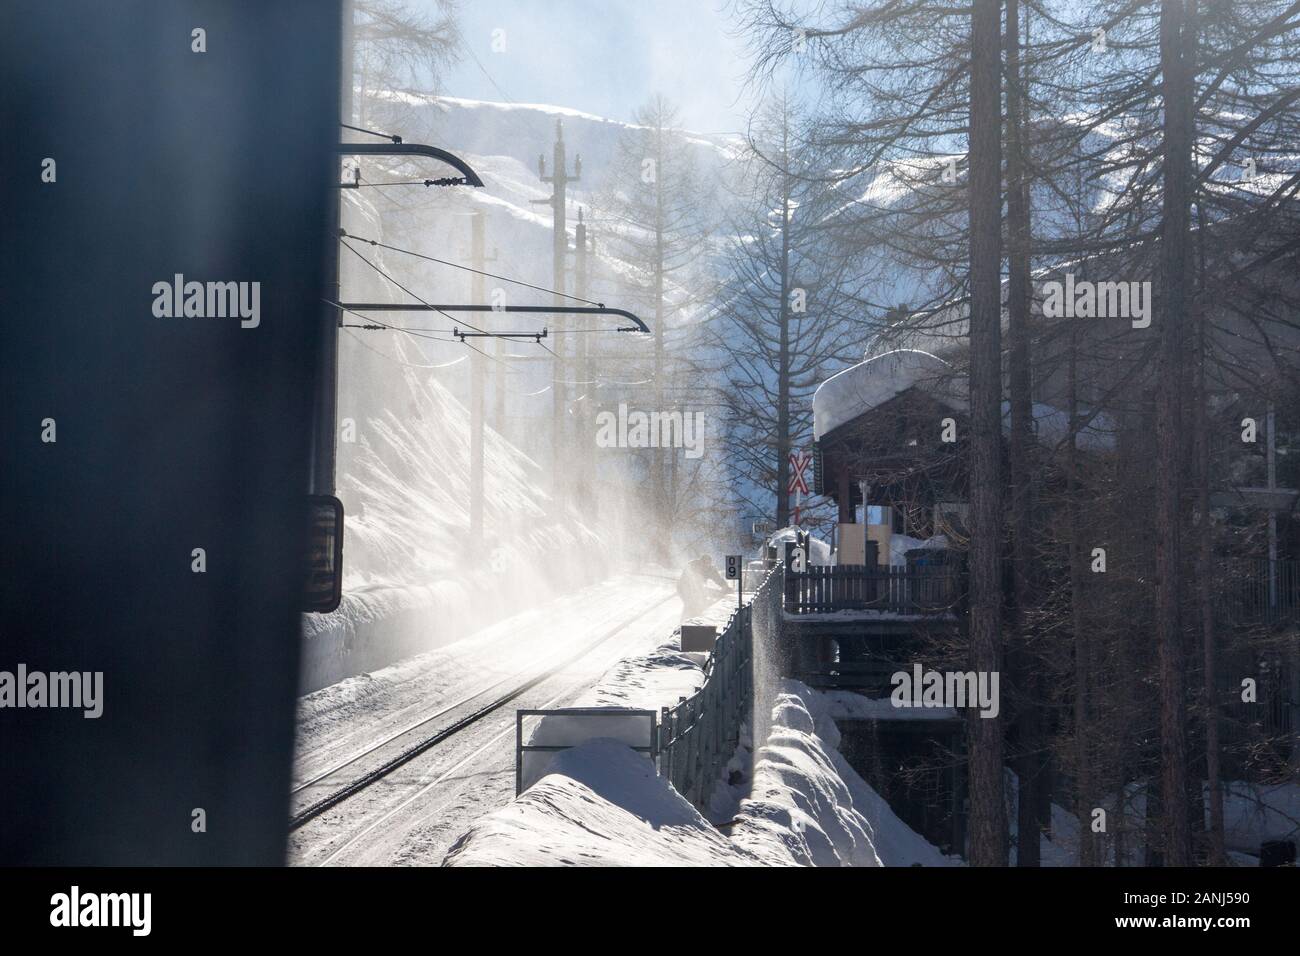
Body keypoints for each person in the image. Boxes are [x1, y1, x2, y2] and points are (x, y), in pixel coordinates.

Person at [677, 554, 726, 620]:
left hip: (698, 588)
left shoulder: (710, 569)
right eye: (704, 563)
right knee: (690, 603)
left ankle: (697, 618)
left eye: (708, 564)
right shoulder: (692, 565)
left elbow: (717, 578)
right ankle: (684, 622)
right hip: (684, 587)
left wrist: (725, 586)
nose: (705, 566)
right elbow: (687, 579)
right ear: (701, 562)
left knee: (701, 602)